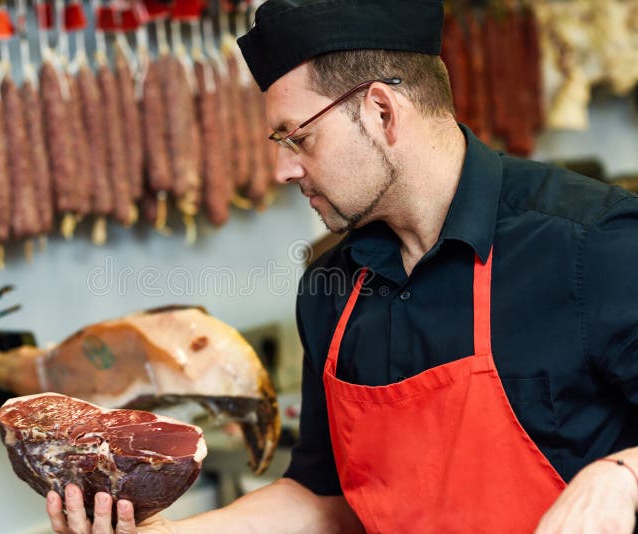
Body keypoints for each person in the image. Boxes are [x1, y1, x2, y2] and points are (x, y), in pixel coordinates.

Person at [46, 1, 638, 532]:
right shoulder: (332, 288)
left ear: (382, 112)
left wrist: (620, 475)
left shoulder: (593, 246)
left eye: (297, 139)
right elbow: (323, 495)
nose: (283, 172)